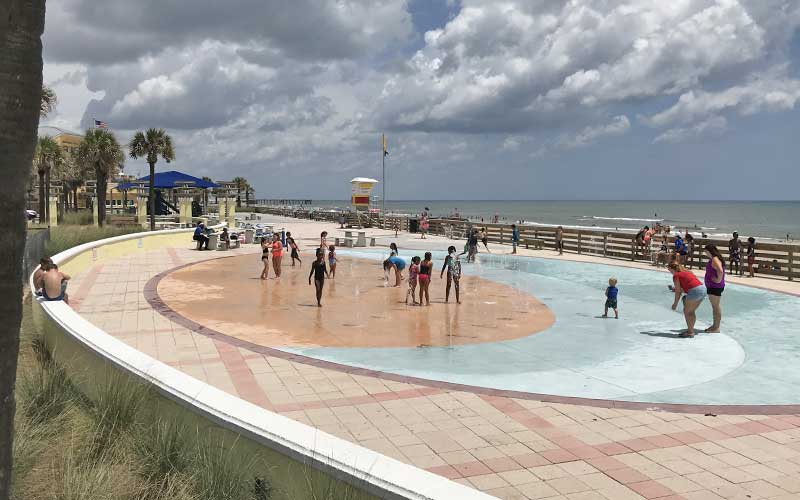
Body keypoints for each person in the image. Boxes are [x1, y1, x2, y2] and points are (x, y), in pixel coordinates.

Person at [668, 261, 706, 338]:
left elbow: (678, 292)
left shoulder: (676, 275)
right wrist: (675, 289)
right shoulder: (687, 272)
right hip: (703, 289)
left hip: (695, 291)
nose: (670, 272)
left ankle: (690, 332)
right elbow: (688, 285)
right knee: (690, 311)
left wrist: (675, 304)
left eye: (669, 270)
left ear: (672, 269)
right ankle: (690, 330)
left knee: (687, 312)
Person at [703, 244, 725, 333]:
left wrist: (718, 280)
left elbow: (720, 270)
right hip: (713, 286)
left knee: (716, 307)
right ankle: (714, 326)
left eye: (705, 251)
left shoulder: (715, 259)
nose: (705, 253)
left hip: (714, 286)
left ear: (709, 251)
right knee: (715, 307)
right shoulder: (714, 259)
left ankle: (716, 327)